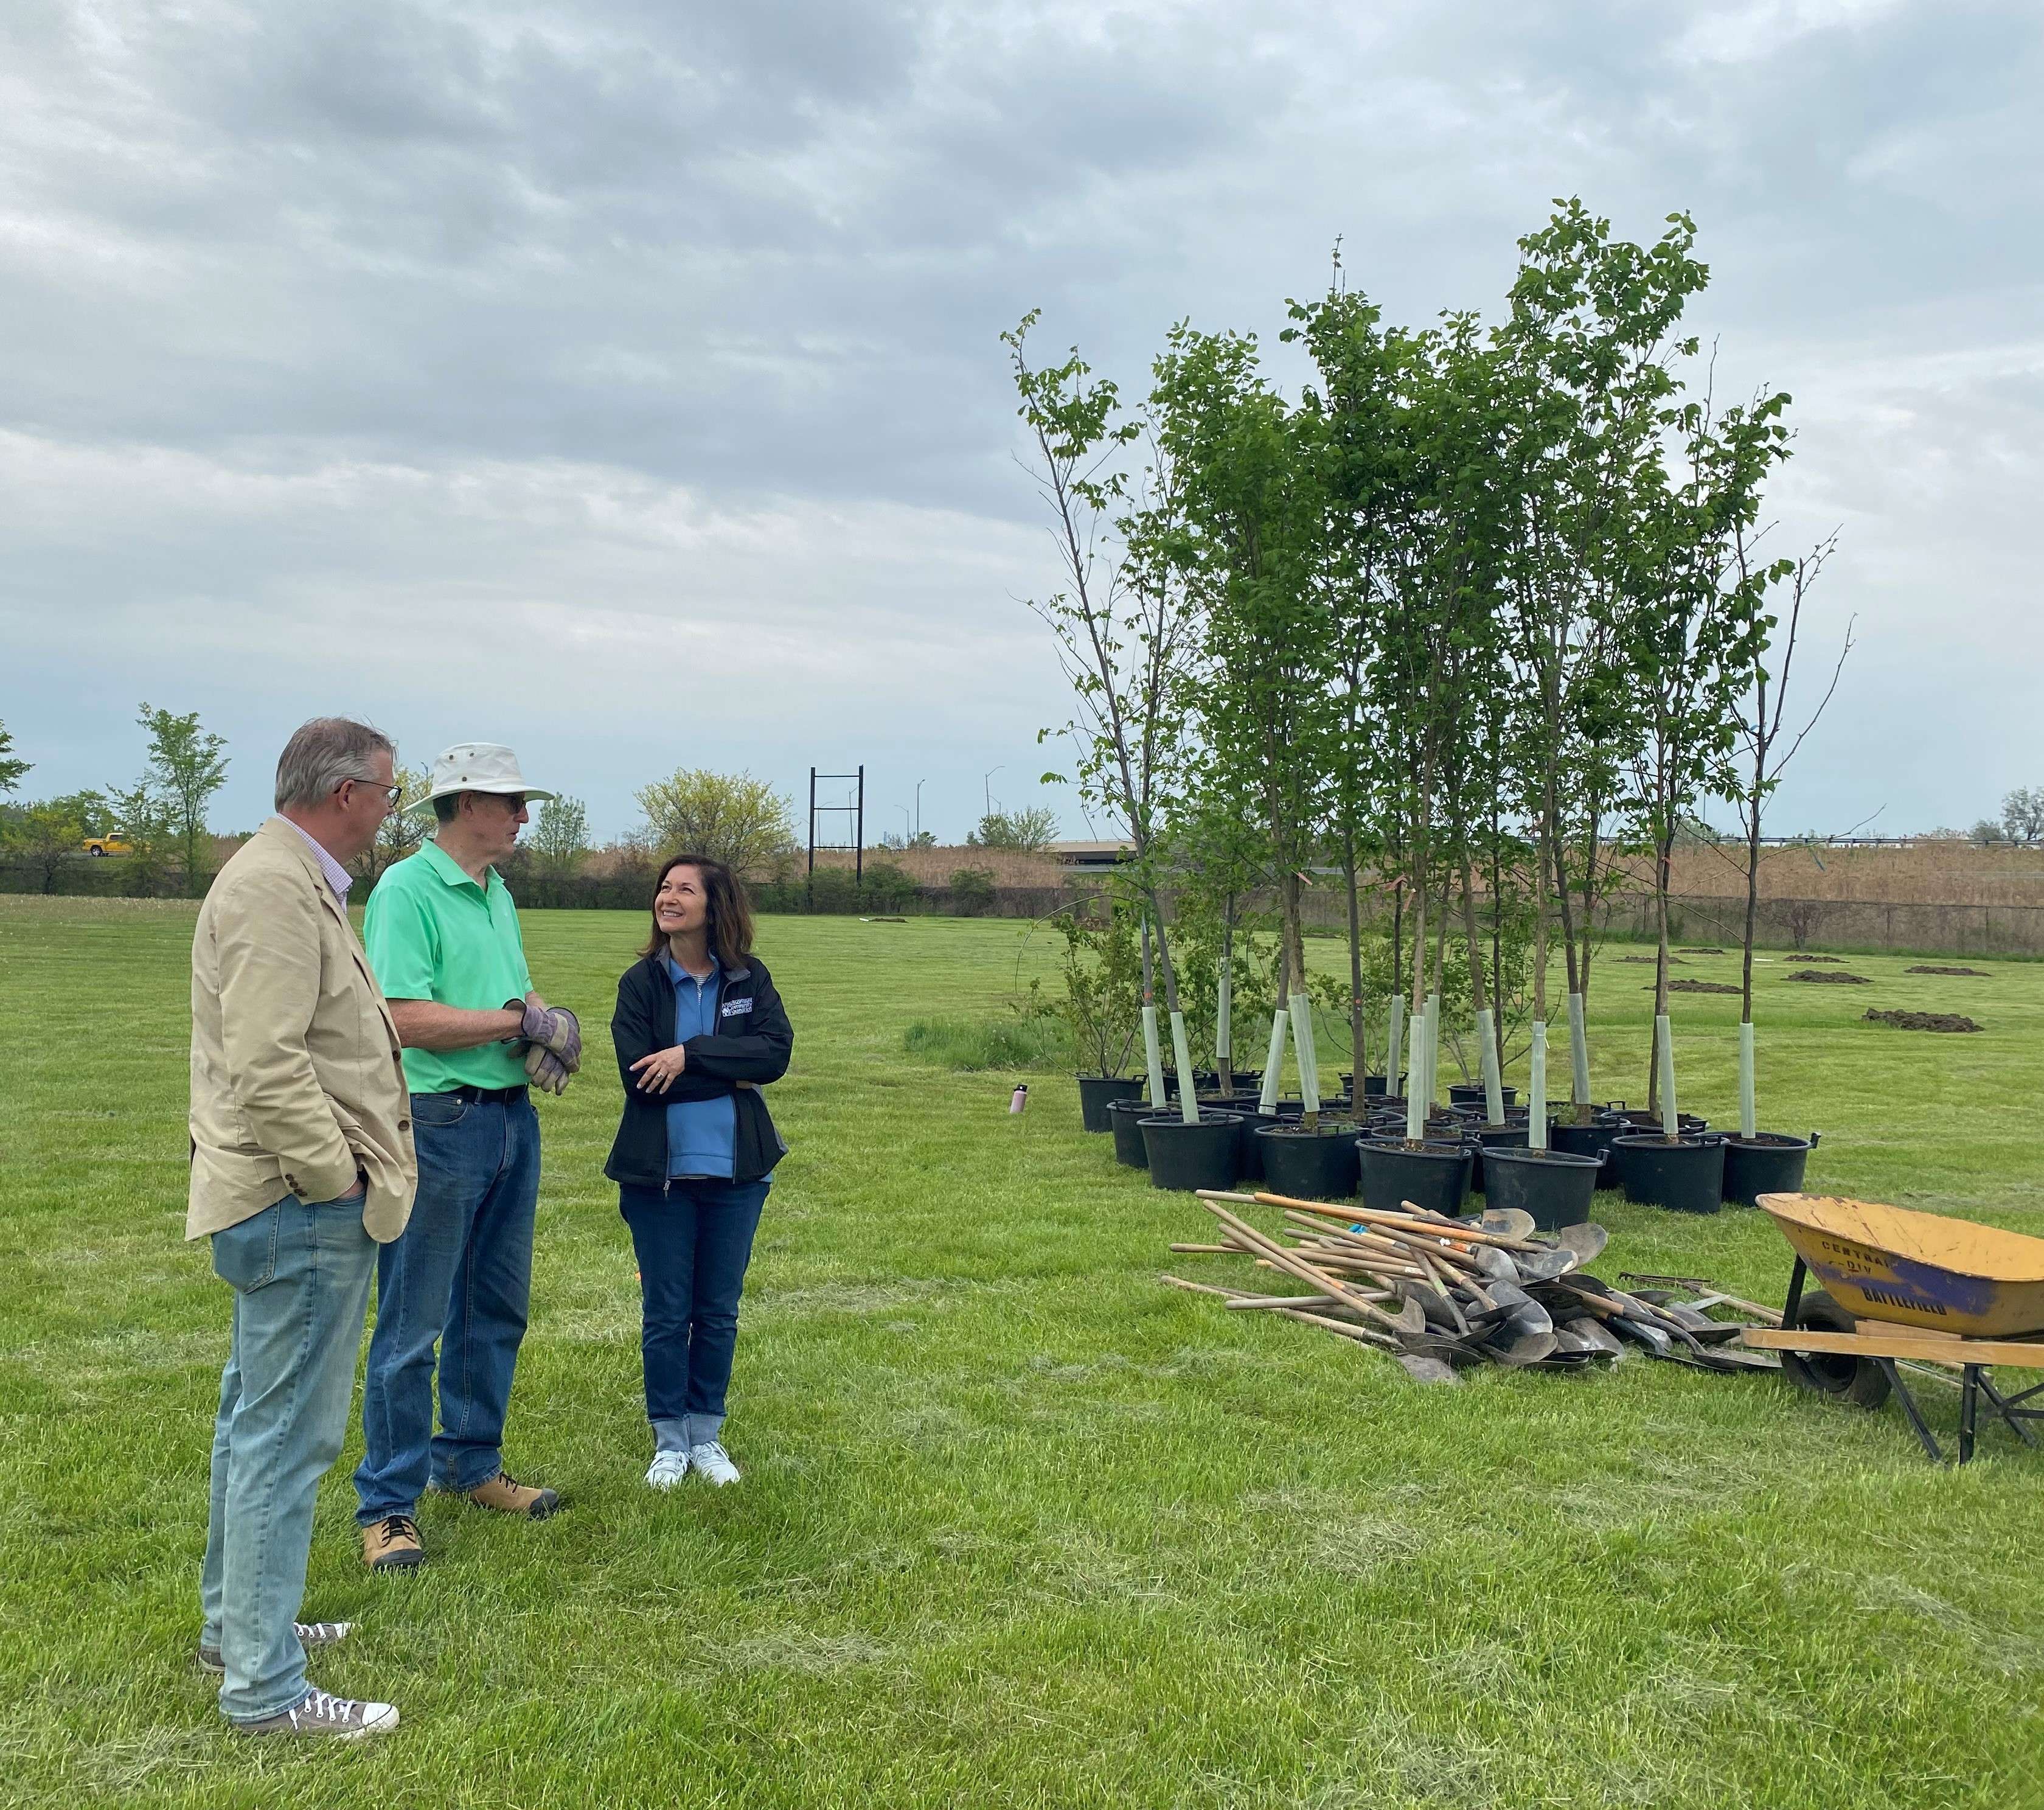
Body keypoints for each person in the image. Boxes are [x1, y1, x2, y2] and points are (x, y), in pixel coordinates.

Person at [190, 717, 415, 1739]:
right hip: (297, 1207)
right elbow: (268, 1063)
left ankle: (237, 1632)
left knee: (256, 1430)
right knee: (286, 1441)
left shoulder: (289, 877)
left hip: (281, 1201)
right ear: (342, 795)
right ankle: (267, 1691)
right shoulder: (275, 887)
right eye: (387, 793)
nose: (391, 811)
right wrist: (337, 1179)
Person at [353, 742, 582, 1571]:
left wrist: (548, 1020)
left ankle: (472, 1463)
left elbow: (513, 996)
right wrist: (517, 1024)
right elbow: (404, 1016)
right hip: (439, 1121)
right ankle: (388, 1503)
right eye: (512, 801)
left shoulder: (498, 892)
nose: (524, 815)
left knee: (496, 1308)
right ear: (465, 805)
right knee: (414, 1322)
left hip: (510, 1121)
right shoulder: (407, 889)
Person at [606, 854, 793, 1489]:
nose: (669, 895)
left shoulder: (748, 978)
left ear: (717, 905)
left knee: (717, 1310)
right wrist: (728, 1072)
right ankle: (669, 1438)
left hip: (739, 1173)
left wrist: (688, 1056)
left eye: (685, 888)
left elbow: (774, 1055)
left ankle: (706, 1433)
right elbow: (640, 1079)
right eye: (664, 886)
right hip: (658, 1174)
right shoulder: (641, 983)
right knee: (666, 1310)